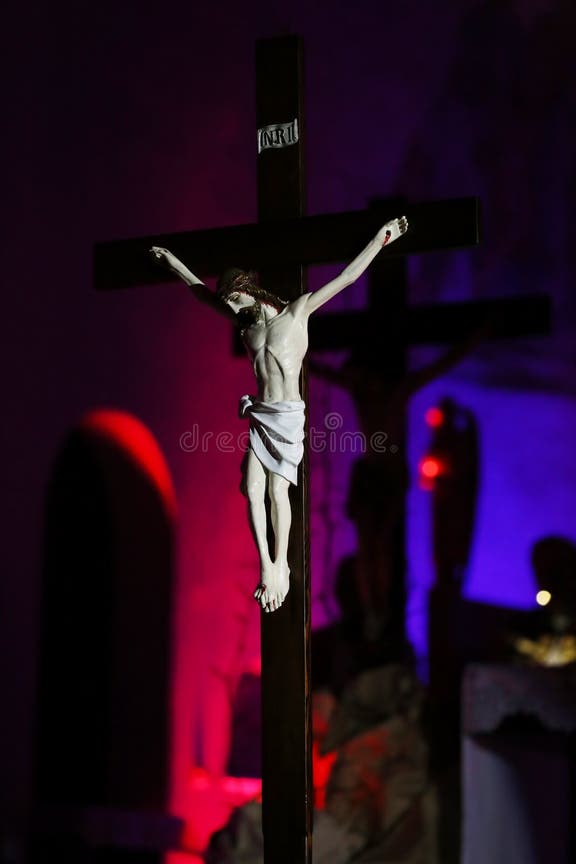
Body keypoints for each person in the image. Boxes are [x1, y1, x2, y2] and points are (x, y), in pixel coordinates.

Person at [150, 215, 408, 613]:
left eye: (234, 300)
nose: (233, 309)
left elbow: (346, 279)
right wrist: (174, 264)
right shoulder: (247, 326)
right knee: (252, 489)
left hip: (286, 415)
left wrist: (380, 239)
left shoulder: (297, 312)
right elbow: (202, 295)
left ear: (246, 290)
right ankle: (266, 565)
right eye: (230, 306)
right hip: (260, 414)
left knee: (276, 490)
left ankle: (282, 564)